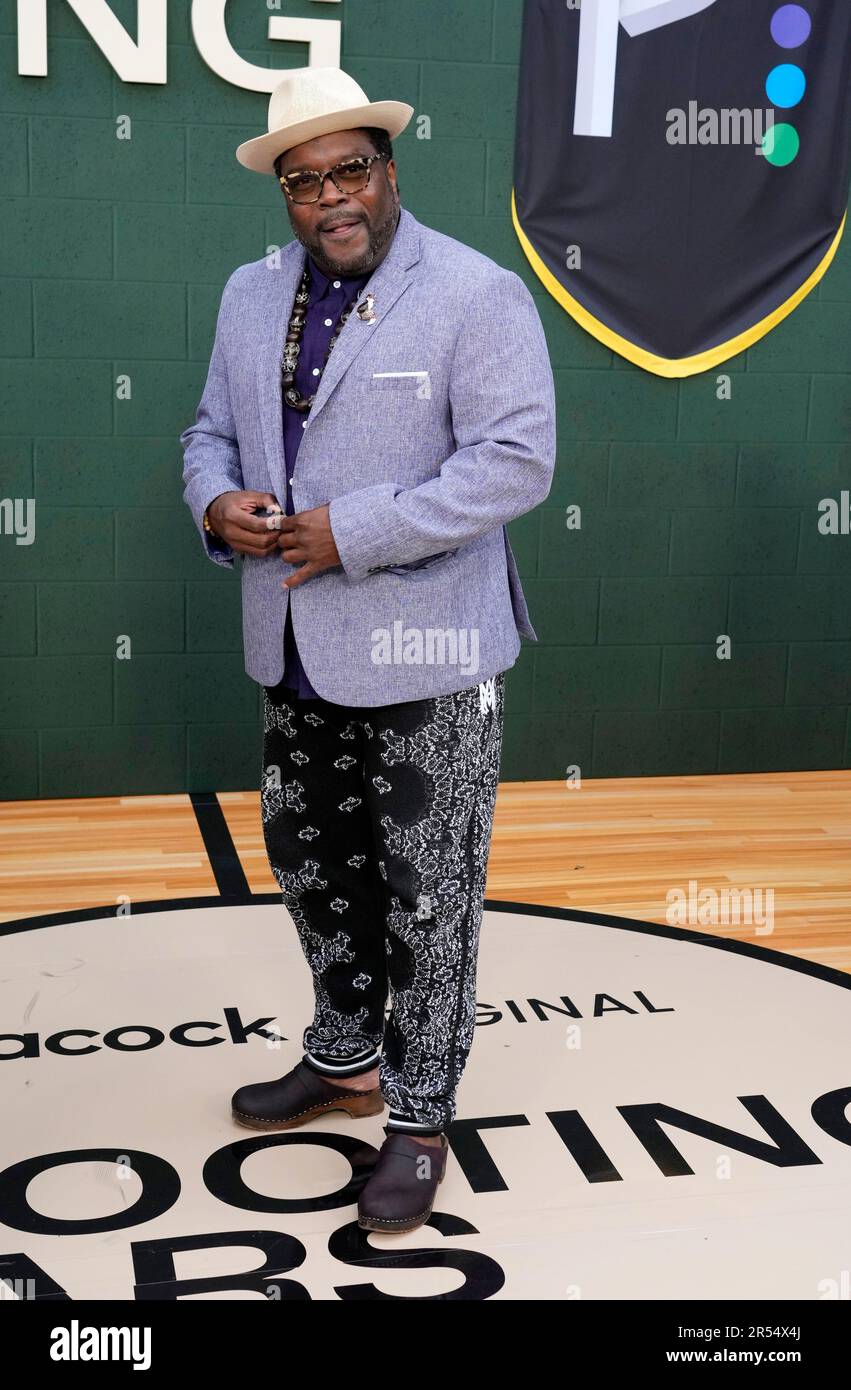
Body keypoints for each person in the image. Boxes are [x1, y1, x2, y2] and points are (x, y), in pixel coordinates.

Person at [179, 66, 556, 1234]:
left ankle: (419, 1115)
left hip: (428, 648)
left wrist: (357, 529)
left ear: (389, 170)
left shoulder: (475, 292)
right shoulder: (249, 293)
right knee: (312, 869)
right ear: (283, 193)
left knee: (426, 897)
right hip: (291, 644)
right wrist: (213, 504)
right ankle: (342, 1056)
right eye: (305, 180)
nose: (331, 195)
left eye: (350, 169)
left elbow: (513, 461)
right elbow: (208, 430)